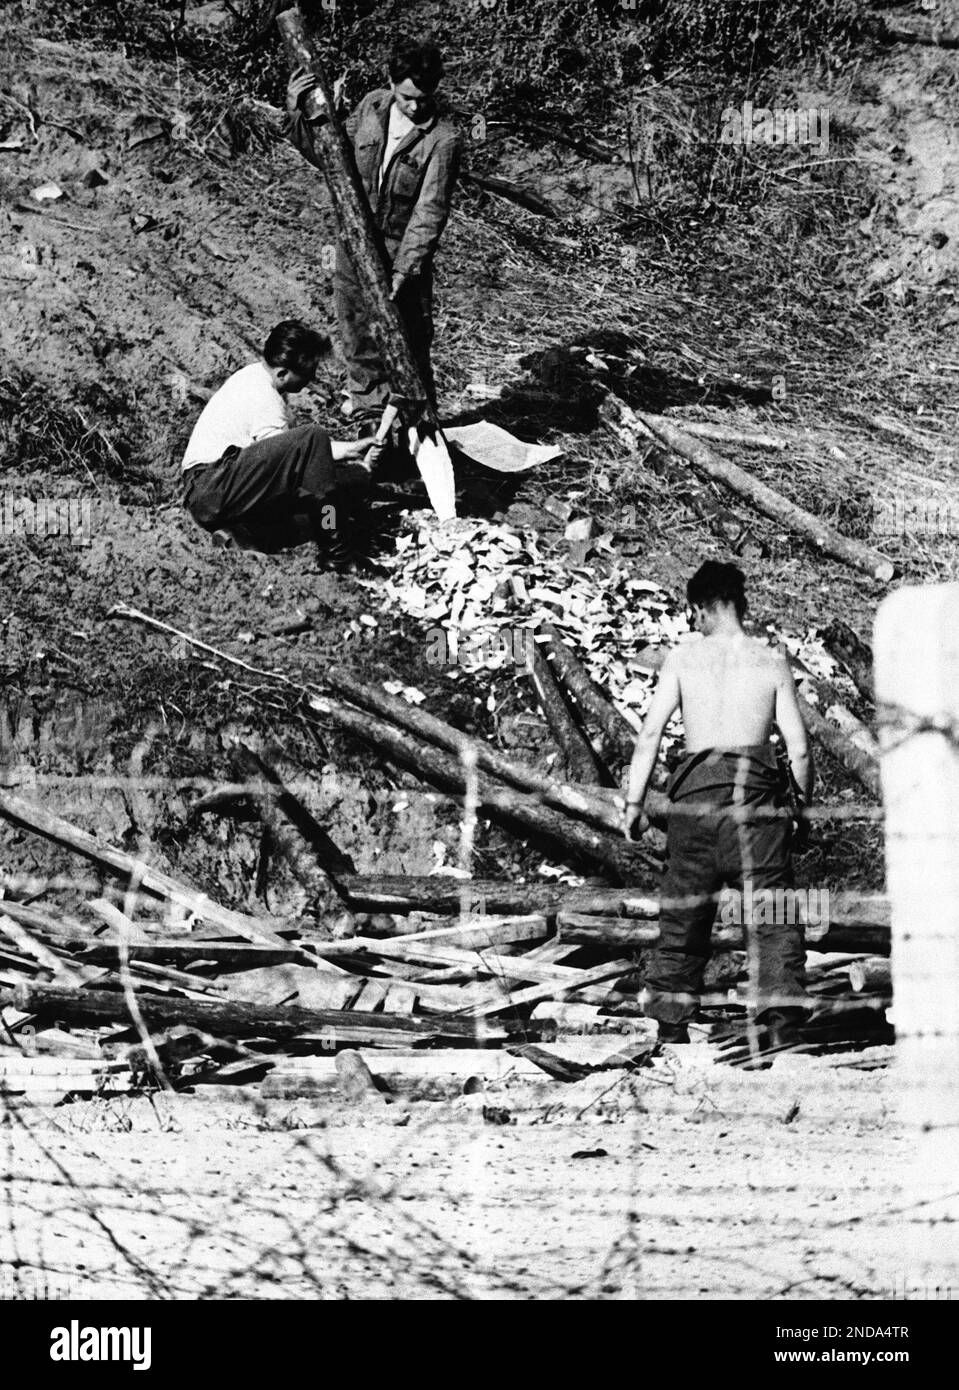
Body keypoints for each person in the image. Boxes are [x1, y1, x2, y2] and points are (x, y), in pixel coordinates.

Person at [622, 561, 813, 1056]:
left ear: (698, 609)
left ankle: (670, 1028)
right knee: (774, 915)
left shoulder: (683, 659)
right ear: (740, 604)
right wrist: (802, 810)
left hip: (695, 807)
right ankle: (780, 1027)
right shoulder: (771, 660)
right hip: (756, 806)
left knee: (684, 915)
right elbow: (799, 749)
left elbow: (649, 735)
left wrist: (634, 803)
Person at [286, 39, 461, 422]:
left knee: (408, 347)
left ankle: (419, 428)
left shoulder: (442, 139)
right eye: (408, 96)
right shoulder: (373, 105)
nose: (415, 106)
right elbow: (332, 159)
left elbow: (429, 211)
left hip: (401, 256)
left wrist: (404, 269)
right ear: (390, 81)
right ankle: (370, 423)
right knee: (358, 340)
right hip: (353, 244)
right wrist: (295, 112)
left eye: (424, 97)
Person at [181, 320, 375, 571]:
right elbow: (303, 454)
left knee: (322, 506)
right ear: (283, 373)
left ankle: (240, 536)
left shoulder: (257, 379)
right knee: (319, 460)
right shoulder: (263, 396)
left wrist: (351, 449)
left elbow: (302, 459)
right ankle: (337, 553)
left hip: (220, 491)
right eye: (307, 374)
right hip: (212, 484)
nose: (310, 380)